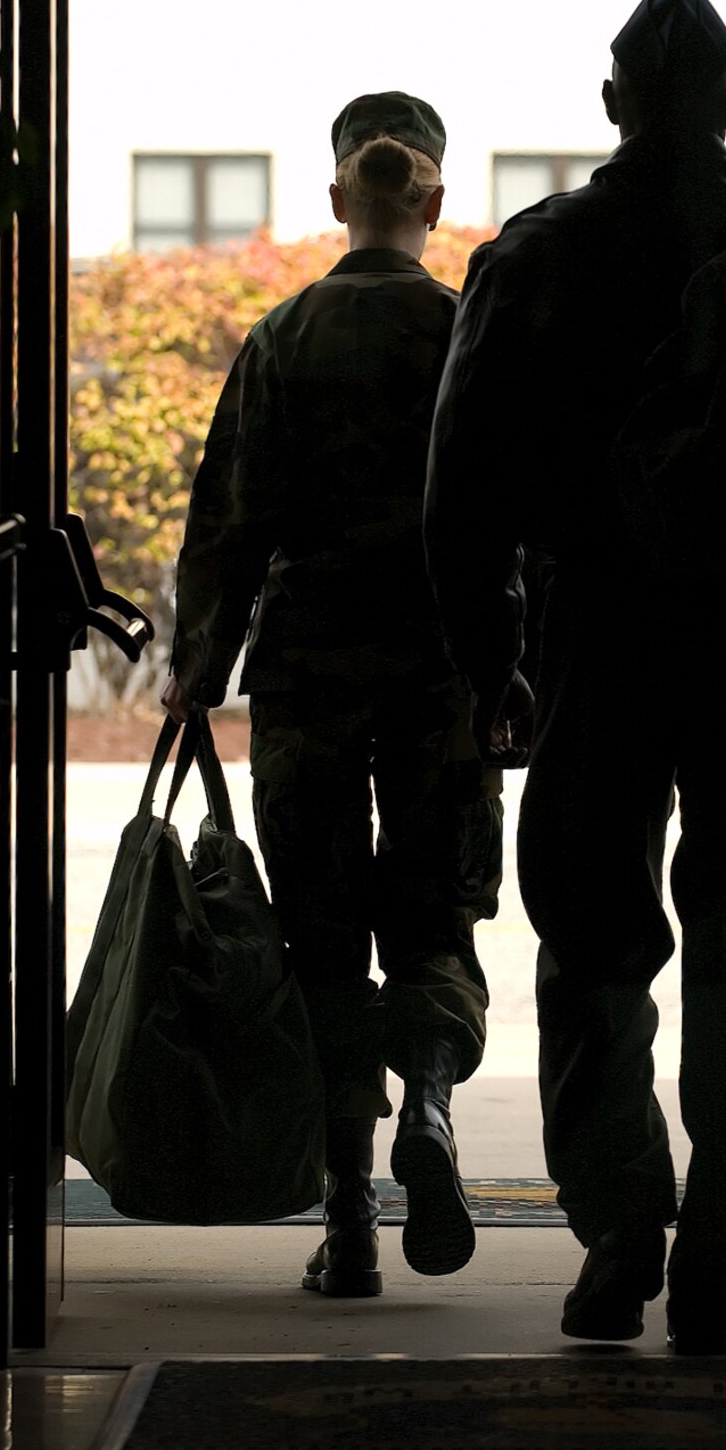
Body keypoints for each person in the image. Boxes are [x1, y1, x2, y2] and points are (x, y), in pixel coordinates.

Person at [425, 0, 726, 1356]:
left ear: (609, 103)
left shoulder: (534, 259)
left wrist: (493, 665)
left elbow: (458, 492)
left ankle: (615, 1239)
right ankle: (720, 1264)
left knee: (592, 936)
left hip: (593, 630)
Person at [161, 91, 503, 1299]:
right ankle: (436, 1109)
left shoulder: (283, 336)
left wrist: (198, 663)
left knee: (319, 935)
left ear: (335, 203)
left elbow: (229, 521)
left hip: (307, 677)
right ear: (435, 203)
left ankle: (349, 1221)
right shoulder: (469, 335)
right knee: (432, 919)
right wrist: (514, 669)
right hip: (437, 675)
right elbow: (509, 523)